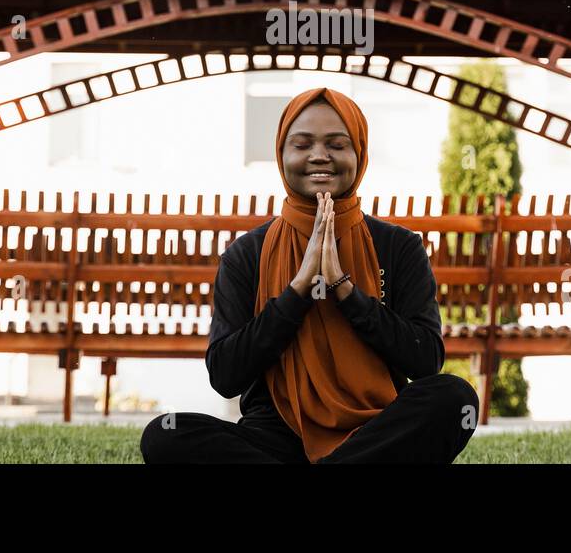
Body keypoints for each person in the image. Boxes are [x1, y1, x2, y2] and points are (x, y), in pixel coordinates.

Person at [141, 86, 479, 464]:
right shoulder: (247, 254)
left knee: (455, 397)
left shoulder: (398, 247)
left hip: (373, 432)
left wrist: (346, 290)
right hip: (271, 437)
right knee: (165, 434)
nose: (320, 156)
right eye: (302, 145)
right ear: (282, 155)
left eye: (337, 144)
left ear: (359, 152)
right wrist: (297, 291)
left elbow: (425, 362)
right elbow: (225, 376)